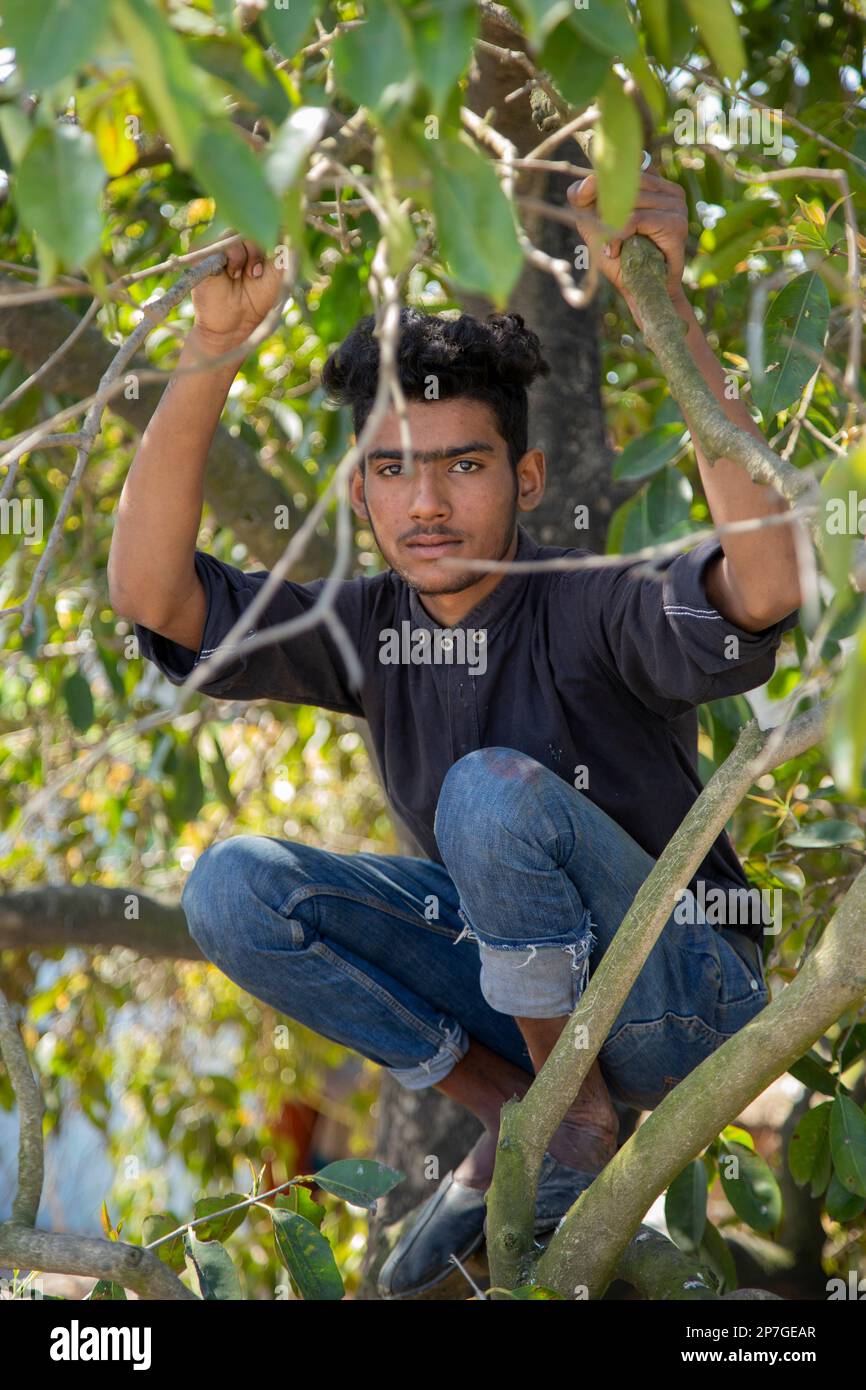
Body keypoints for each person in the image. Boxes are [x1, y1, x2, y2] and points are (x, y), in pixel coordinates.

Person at [108, 172, 802, 1299]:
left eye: (461, 464)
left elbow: (764, 584)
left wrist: (665, 305)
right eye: (392, 468)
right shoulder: (366, 625)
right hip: (527, 1008)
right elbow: (155, 597)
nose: (424, 502)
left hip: (681, 994)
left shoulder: (592, 602)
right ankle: (519, 1108)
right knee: (232, 886)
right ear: (359, 494)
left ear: (525, 476)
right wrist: (212, 348)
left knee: (487, 792)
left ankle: (564, 1119)